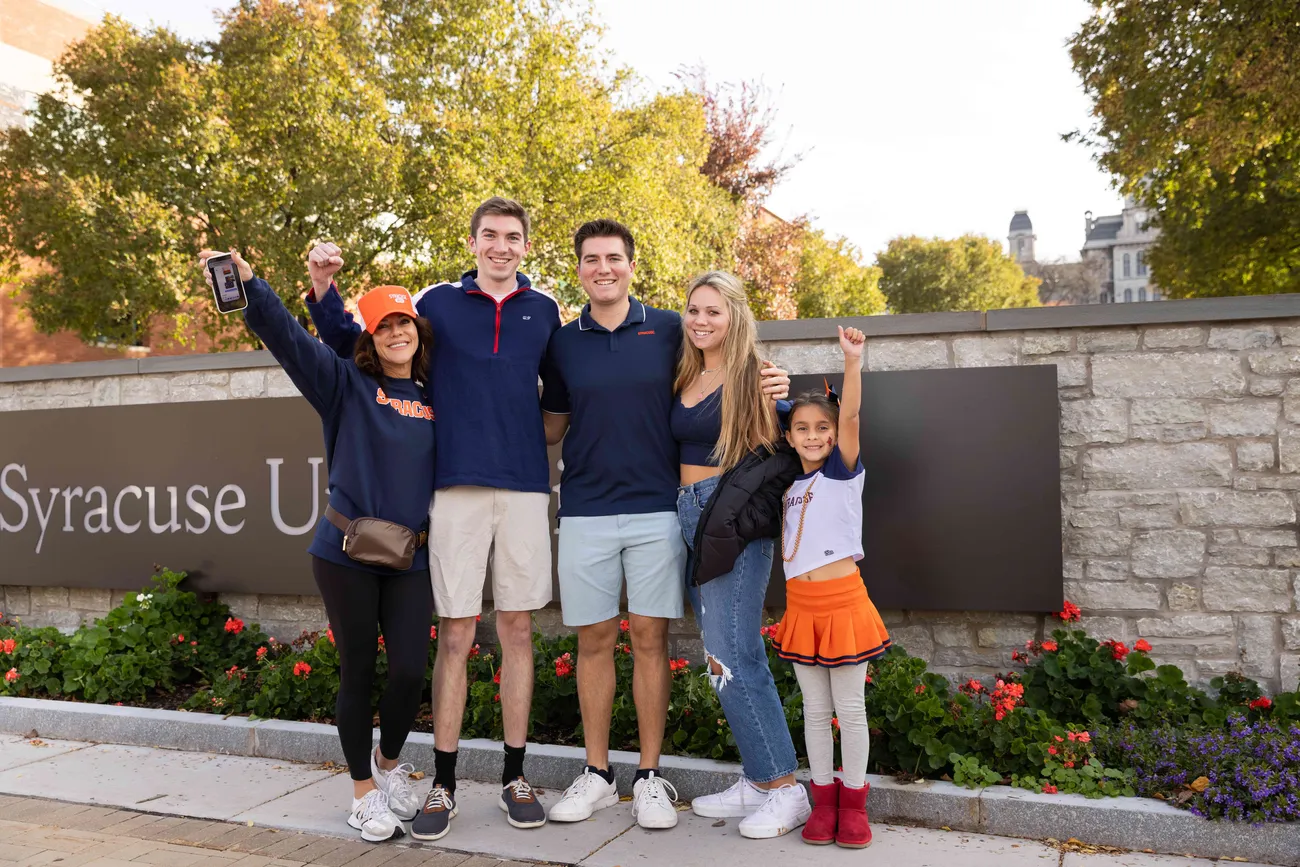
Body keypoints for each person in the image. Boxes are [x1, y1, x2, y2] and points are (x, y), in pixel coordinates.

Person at [305, 197, 558, 841]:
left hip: (526, 489)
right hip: (453, 491)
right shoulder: (436, 303)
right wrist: (324, 292)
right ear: (472, 241)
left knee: (520, 631)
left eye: (513, 237)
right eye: (490, 235)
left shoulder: (547, 311)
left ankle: (514, 776)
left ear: (526, 245)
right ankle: (442, 785)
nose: (501, 246)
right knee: (454, 634)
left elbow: (559, 405)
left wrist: (522, 439)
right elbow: (357, 341)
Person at [538, 221, 790, 829]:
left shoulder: (670, 329)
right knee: (596, 641)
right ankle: (598, 775)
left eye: (614, 258)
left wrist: (780, 388)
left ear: (630, 265)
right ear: (578, 269)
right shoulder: (561, 342)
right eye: (591, 258)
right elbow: (549, 425)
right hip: (585, 510)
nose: (604, 267)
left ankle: (650, 778)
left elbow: (736, 356)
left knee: (657, 640)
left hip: (660, 510)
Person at [200, 248, 433, 844]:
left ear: (417, 332)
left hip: (411, 557)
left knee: (409, 670)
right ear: (370, 339)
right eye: (384, 325)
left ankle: (386, 766)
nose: (396, 332)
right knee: (358, 669)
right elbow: (288, 337)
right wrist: (251, 284)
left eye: (404, 322)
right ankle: (362, 794)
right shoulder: (344, 384)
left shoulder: (437, 397)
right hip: (346, 552)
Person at [671, 271, 810, 840]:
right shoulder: (687, 370)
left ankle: (784, 788)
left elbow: (798, 432)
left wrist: (787, 394)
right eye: (694, 310)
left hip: (731, 515)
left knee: (736, 651)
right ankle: (757, 779)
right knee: (718, 655)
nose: (701, 321)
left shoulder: (757, 375)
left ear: (736, 317)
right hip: (688, 510)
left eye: (714, 312)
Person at [773, 325, 888, 849]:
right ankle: (823, 804)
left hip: (843, 605)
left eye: (823, 426)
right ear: (790, 435)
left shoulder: (842, 471)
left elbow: (853, 416)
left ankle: (855, 805)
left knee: (850, 710)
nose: (815, 435)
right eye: (803, 428)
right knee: (815, 712)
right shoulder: (785, 483)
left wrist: (852, 362)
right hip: (802, 608)